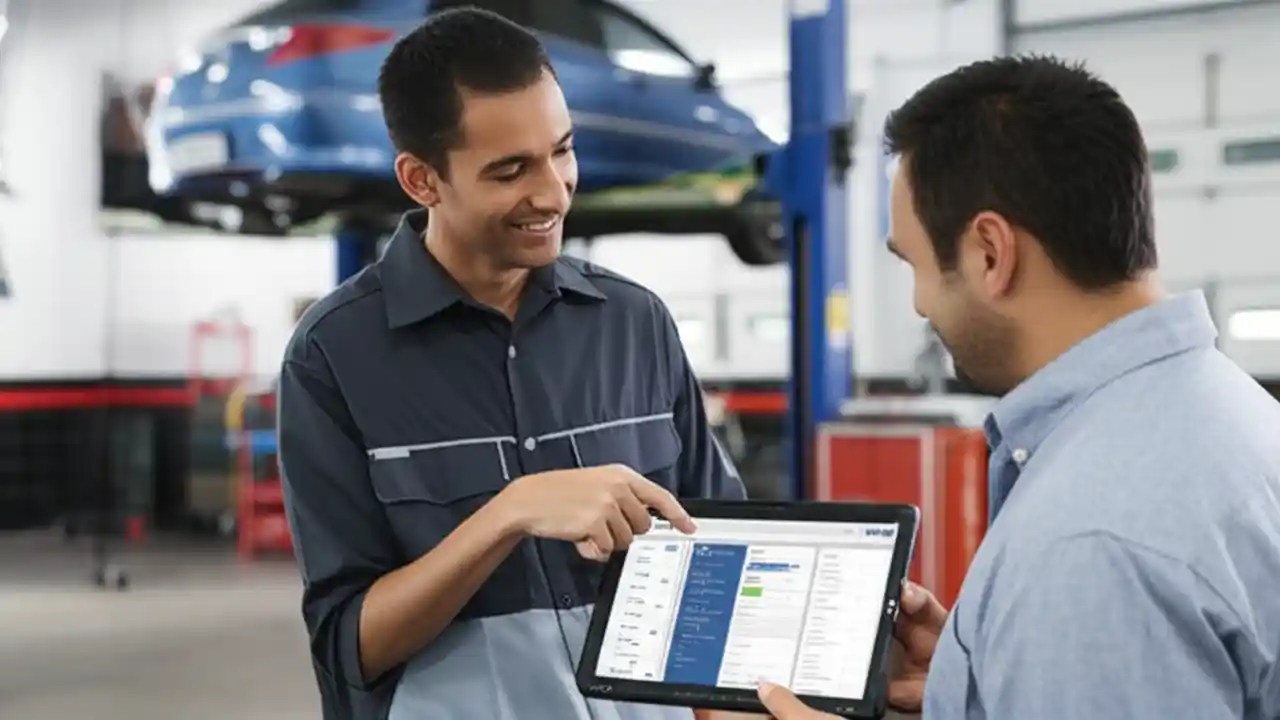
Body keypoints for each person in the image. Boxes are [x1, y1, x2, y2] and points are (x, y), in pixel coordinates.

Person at [757, 55, 1280, 719]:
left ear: (989, 254)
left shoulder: (1088, 549)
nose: (920, 305)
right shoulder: (1228, 413)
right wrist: (985, 677)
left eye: (914, 265)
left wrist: (1051, 629)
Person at [276, 8, 746, 720]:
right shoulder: (333, 358)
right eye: (510, 171)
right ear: (422, 180)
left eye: (562, 151)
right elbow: (351, 645)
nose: (553, 192)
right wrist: (506, 516)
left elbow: (718, 553)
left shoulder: (635, 323)